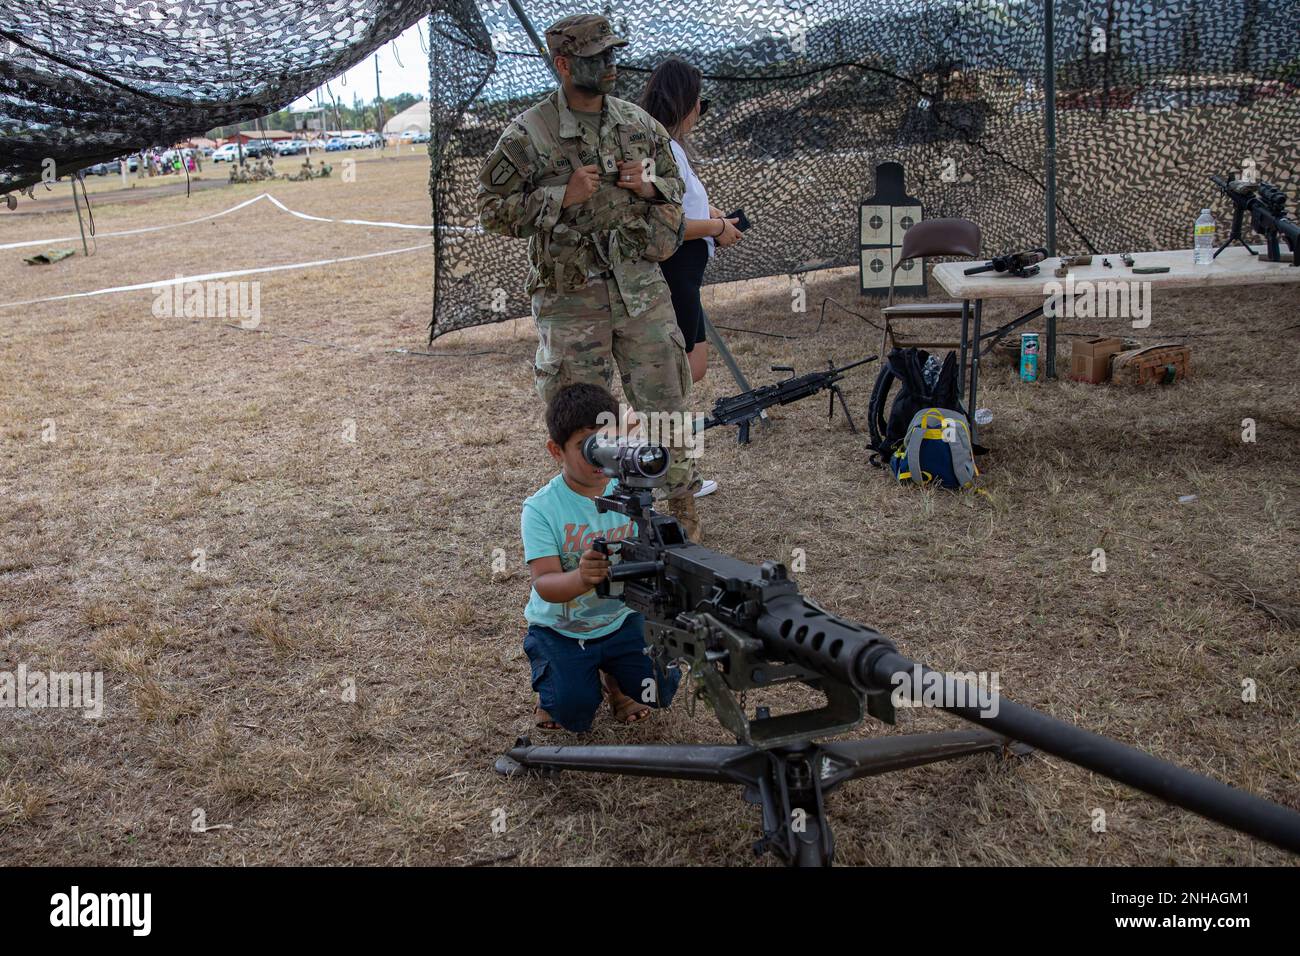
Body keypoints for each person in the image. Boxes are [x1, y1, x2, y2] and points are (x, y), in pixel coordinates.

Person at [477, 13, 704, 541]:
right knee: (584, 417)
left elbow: (674, 190)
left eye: (612, 54)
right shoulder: (529, 134)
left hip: (642, 292)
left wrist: (648, 188)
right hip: (571, 300)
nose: (611, 65)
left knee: (667, 406)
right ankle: (594, 528)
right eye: (597, 56)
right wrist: (561, 196)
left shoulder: (637, 124)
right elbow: (491, 208)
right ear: (563, 64)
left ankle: (683, 526)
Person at [521, 383, 681, 732]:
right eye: (586, 447)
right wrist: (580, 578)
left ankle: (617, 680)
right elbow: (545, 583)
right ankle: (555, 688)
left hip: (622, 621)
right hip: (561, 629)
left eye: (608, 443)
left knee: (661, 688)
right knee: (572, 712)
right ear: (555, 450)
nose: (600, 457)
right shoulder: (541, 508)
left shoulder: (633, 491)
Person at [640, 56, 742, 500]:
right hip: (676, 270)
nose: (702, 108)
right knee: (674, 377)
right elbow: (672, 224)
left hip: (687, 274)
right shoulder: (662, 148)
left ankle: (660, 457)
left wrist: (718, 216)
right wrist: (718, 229)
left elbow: (688, 207)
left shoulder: (672, 147)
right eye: (700, 99)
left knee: (688, 371)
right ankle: (663, 463)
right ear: (687, 102)